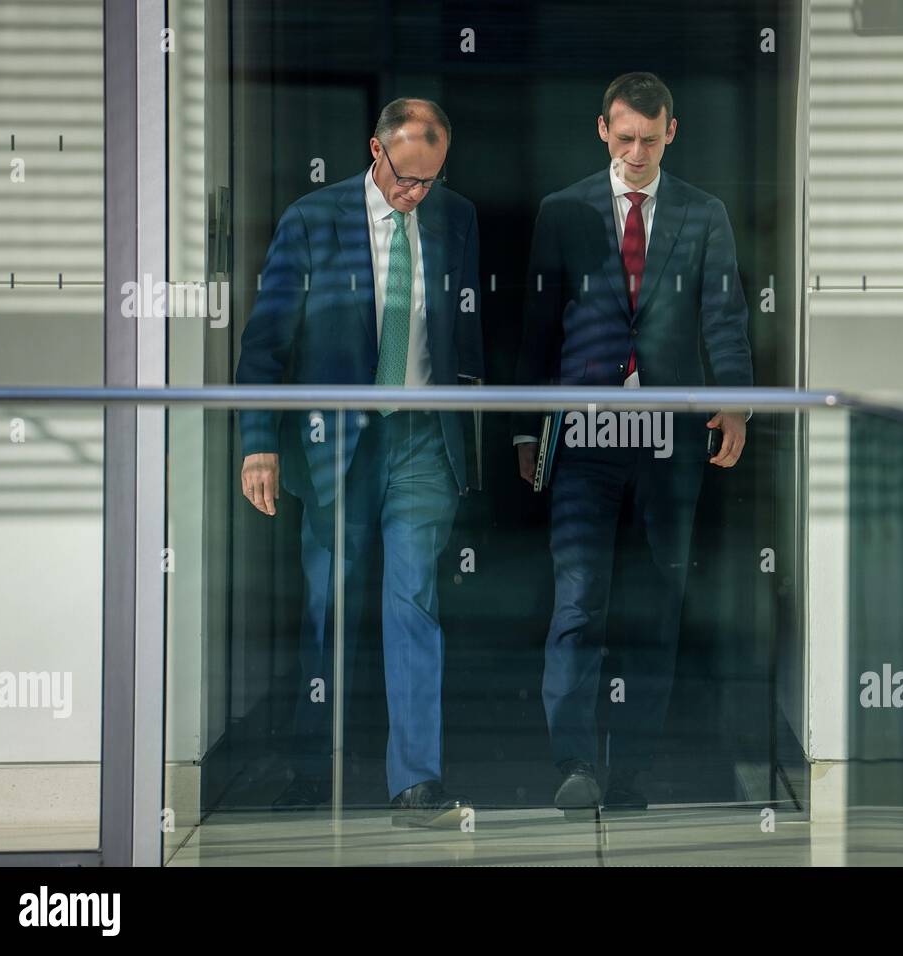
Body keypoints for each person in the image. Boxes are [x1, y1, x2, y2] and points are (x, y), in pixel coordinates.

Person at [235, 98, 482, 828]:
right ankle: (314, 773)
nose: (415, 195)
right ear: (375, 150)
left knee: (414, 605)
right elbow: (265, 342)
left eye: (429, 182)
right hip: (334, 441)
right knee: (327, 607)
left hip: (421, 440)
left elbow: (465, 332)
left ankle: (416, 785)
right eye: (406, 179)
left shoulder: (454, 216)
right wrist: (258, 440)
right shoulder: (313, 220)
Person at [514, 72, 753, 816]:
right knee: (579, 598)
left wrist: (737, 408)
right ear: (603, 130)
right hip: (585, 427)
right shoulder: (562, 210)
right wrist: (527, 424)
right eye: (626, 139)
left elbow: (724, 317)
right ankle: (575, 762)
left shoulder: (704, 212)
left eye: (651, 139)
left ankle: (632, 773)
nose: (638, 151)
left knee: (658, 603)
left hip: (670, 432)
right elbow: (539, 323)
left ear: (671, 133)